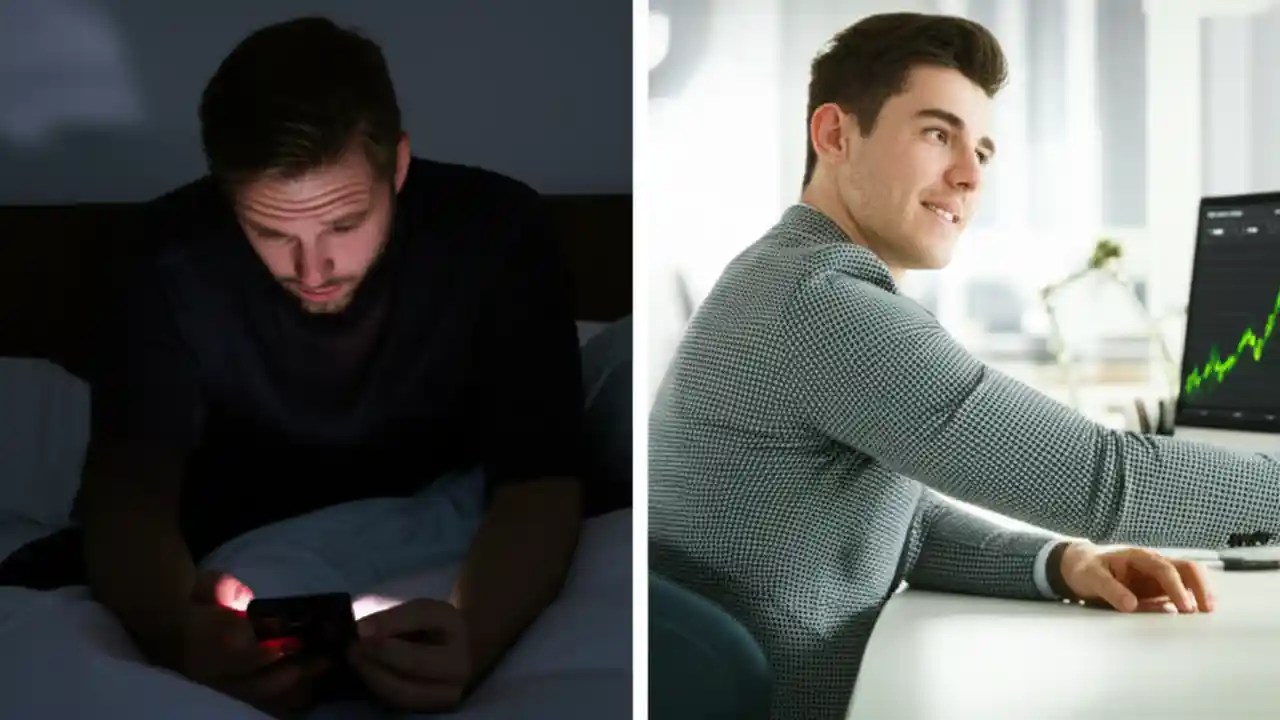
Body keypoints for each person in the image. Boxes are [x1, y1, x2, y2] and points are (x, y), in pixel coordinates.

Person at [648, 12, 1280, 720]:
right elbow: (1102, 478)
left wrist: (1062, 563)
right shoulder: (824, 304)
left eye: (982, 149)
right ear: (834, 135)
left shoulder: (785, 275)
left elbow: (899, 522)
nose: (970, 175)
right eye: (936, 134)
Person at [2, 16, 586, 717]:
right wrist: (179, 633)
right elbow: (128, 494)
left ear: (398, 167)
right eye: (272, 232)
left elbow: (542, 478)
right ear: (227, 198)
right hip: (227, 551)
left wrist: (476, 637)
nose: (313, 269)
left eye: (343, 224)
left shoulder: (497, 236)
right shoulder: (165, 263)